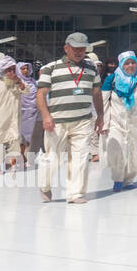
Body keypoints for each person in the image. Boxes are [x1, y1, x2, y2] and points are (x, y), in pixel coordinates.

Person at [36, 32, 105, 204]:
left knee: (81, 158)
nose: (79, 52)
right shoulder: (50, 68)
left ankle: (75, 193)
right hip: (56, 122)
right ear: (66, 48)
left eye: (82, 48)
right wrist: (46, 116)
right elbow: (41, 94)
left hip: (83, 120)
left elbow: (96, 93)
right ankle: (44, 186)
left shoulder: (91, 68)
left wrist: (100, 115)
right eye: (75, 48)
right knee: (53, 158)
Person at [102, 51, 137, 191]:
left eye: (133, 62)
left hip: (136, 122)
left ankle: (129, 179)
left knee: (133, 150)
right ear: (121, 65)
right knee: (118, 150)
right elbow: (103, 102)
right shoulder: (111, 80)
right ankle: (117, 178)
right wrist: (103, 123)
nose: (130, 66)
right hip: (116, 121)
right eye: (127, 63)